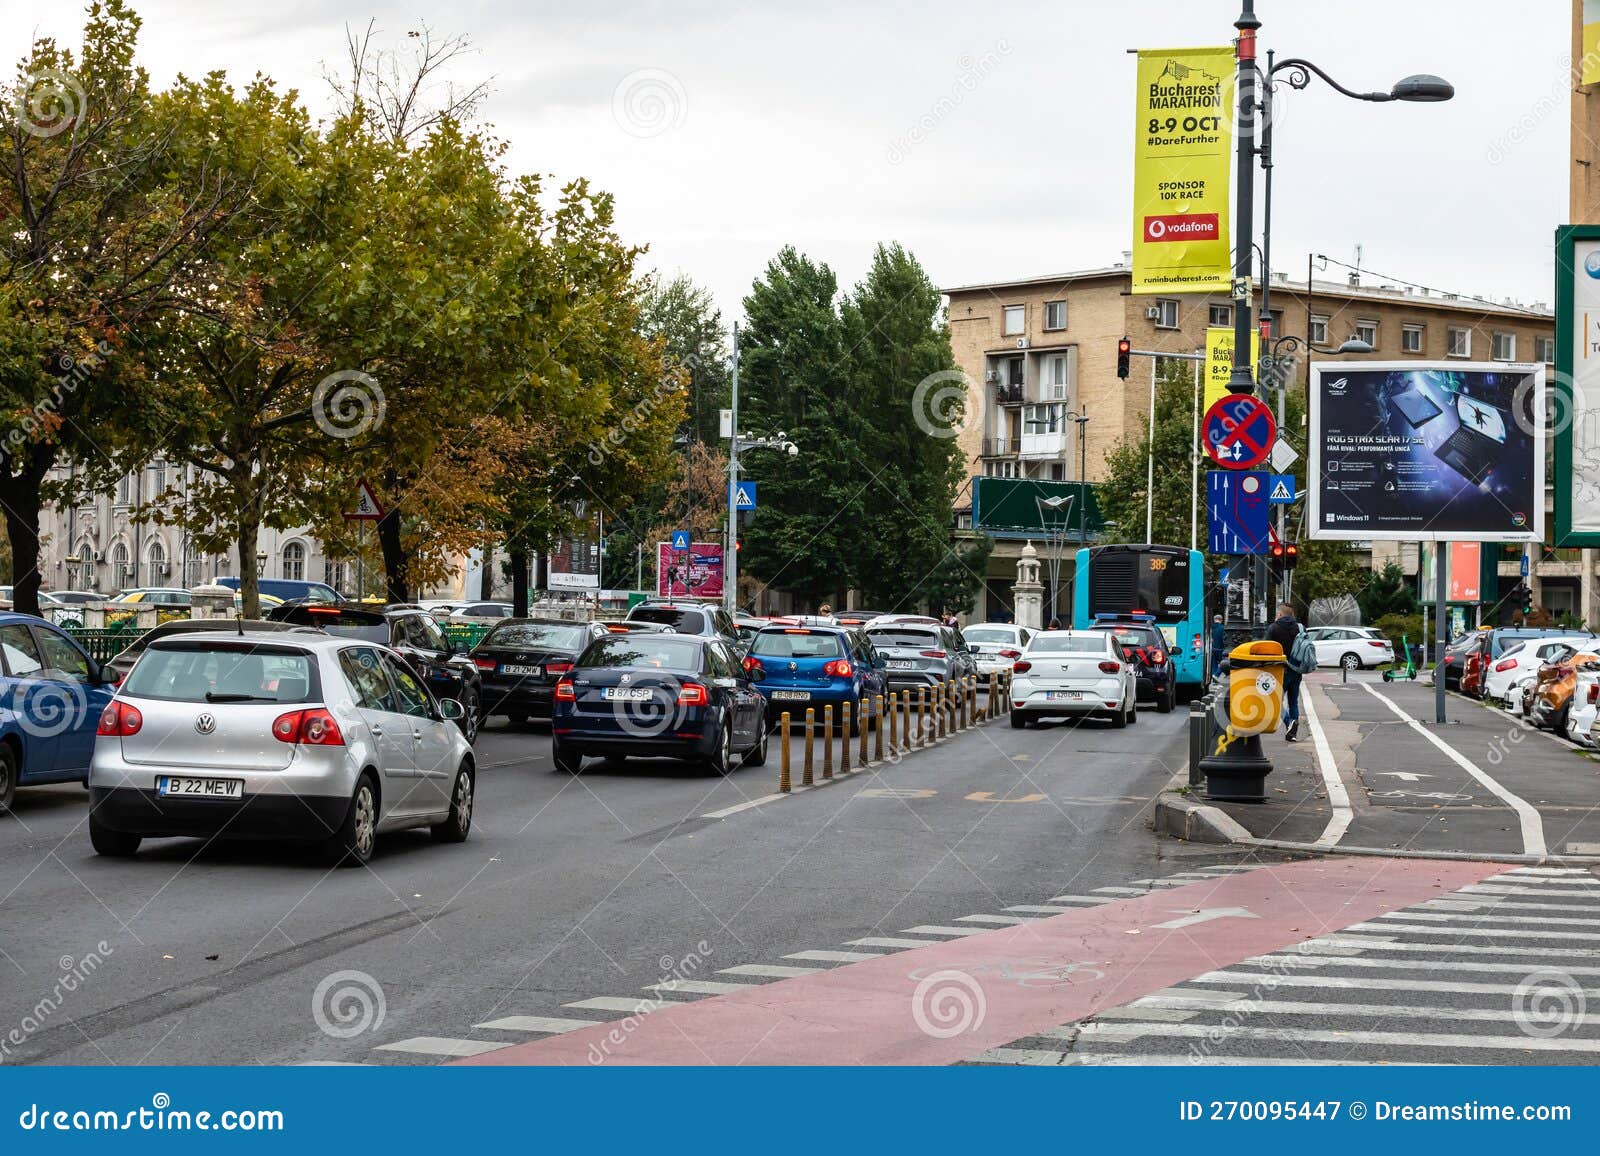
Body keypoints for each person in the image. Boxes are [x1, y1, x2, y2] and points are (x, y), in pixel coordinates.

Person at [1265, 601, 1303, 742]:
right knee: (1293, 702)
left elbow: (1266, 649)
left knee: (1275, 701)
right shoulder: (1299, 628)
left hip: (1279, 670)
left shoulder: (1273, 628)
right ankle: (1293, 731)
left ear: (1280, 614)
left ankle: (1288, 723)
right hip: (1296, 670)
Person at [1211, 614, 1227, 680]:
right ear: (1221, 620)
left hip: (1212, 648)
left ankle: (1214, 676)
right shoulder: (1223, 628)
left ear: (1214, 620)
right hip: (1220, 649)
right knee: (1223, 664)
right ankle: (1216, 674)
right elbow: (1224, 638)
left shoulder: (1211, 627)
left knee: (1214, 664)